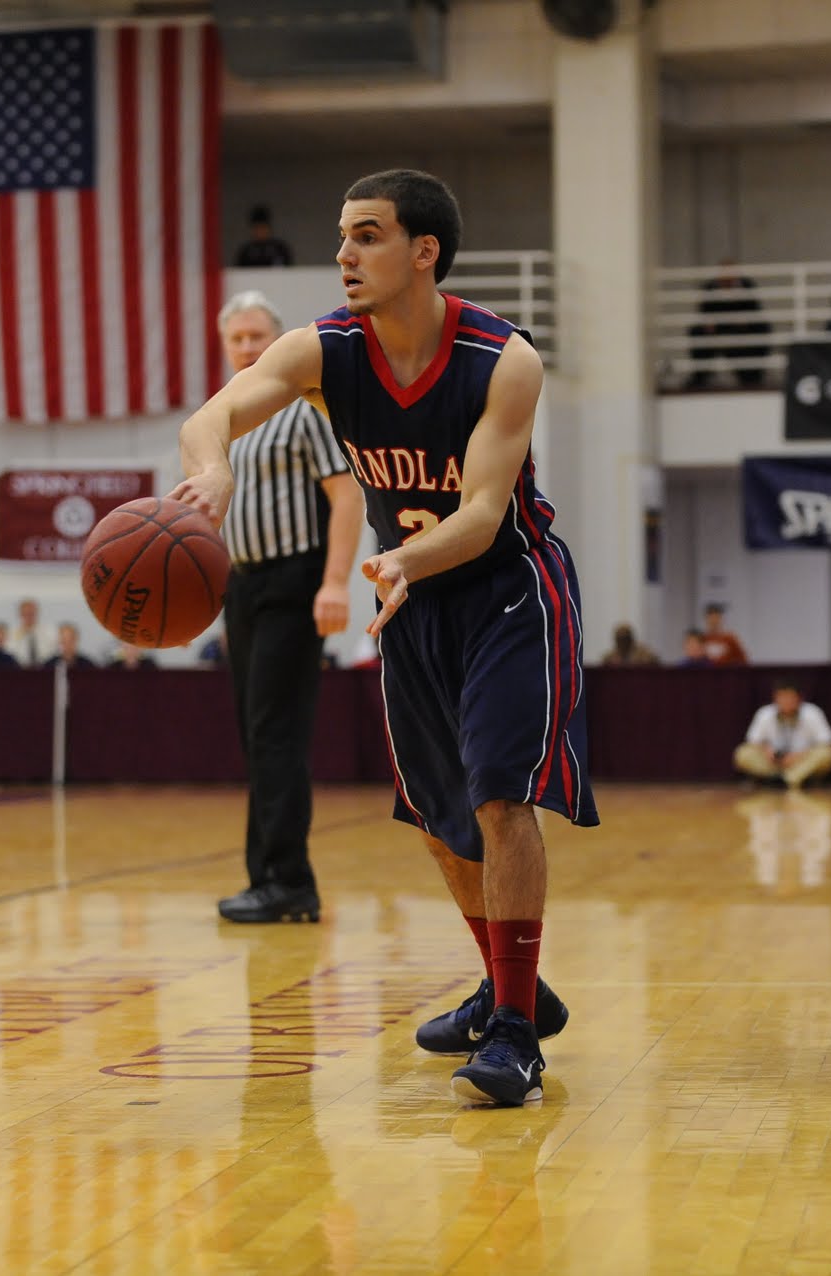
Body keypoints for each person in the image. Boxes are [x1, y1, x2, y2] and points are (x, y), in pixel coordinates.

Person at [171, 168, 596, 1107]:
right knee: (440, 820)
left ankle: (516, 1034)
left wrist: (404, 559)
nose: (343, 254)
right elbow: (215, 414)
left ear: (423, 251)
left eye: (366, 235)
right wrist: (213, 477)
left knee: (496, 800)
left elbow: (484, 515)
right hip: (409, 595)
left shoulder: (503, 359)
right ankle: (507, 985)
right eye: (342, 234)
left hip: (505, 590)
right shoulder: (324, 348)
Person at [207, 290, 365, 925]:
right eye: (237, 337)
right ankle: (265, 877)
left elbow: (347, 495)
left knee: (276, 732)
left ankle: (290, 881)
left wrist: (334, 583)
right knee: (256, 734)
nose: (247, 346)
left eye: (257, 336)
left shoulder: (301, 409)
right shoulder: (225, 415)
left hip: (295, 581)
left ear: (276, 340)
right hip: (241, 586)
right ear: (224, 343)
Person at [732, 681, 831, 788]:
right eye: (782, 698)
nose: (786, 702)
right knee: (743, 753)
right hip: (773, 763)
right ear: (775, 699)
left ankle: (789, 779)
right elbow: (753, 741)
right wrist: (767, 751)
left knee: (826, 753)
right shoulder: (765, 713)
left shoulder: (812, 713)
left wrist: (798, 756)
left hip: (802, 760)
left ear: (799, 699)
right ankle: (776, 778)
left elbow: (827, 742)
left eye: (790, 698)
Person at [686, 260, 771, 388]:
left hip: (740, 328)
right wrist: (709, 322)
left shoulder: (747, 285)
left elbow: (755, 309)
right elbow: (704, 311)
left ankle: (753, 375)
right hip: (718, 328)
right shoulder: (710, 287)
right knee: (696, 331)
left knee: (763, 328)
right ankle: (700, 376)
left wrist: (746, 319)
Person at [9, 598, 57, 667]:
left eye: (31, 613)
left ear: (36, 612)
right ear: (20, 614)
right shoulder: (12, 633)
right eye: (25, 613)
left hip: (45, 669)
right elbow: (10, 652)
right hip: (19, 670)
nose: (28, 616)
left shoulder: (48, 630)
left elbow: (54, 651)